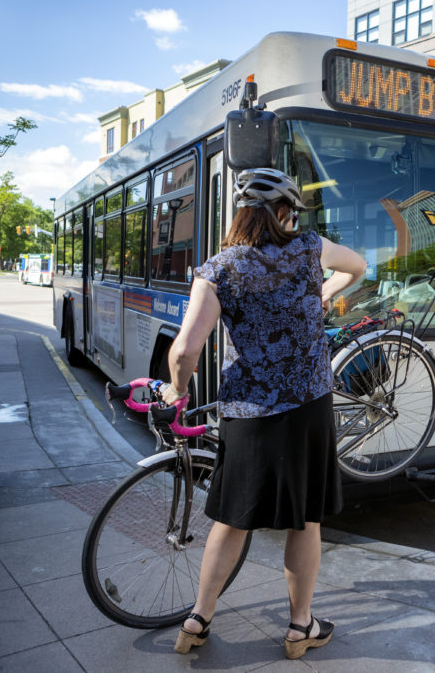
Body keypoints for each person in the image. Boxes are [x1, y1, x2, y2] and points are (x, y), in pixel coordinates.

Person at [161, 168, 366, 660]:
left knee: (232, 520)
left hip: (247, 412)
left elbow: (185, 350)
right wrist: (325, 293)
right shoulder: (310, 248)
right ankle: (300, 627)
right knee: (305, 520)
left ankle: (197, 619)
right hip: (308, 407)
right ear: (283, 212)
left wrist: (177, 389)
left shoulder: (218, 268)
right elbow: (358, 266)